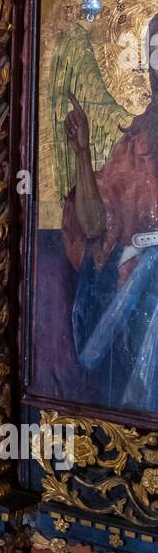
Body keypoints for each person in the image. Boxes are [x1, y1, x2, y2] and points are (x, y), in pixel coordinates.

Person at [62, 22, 158, 411]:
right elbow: (94, 225)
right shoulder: (137, 144)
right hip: (141, 290)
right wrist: (82, 155)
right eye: (155, 50)